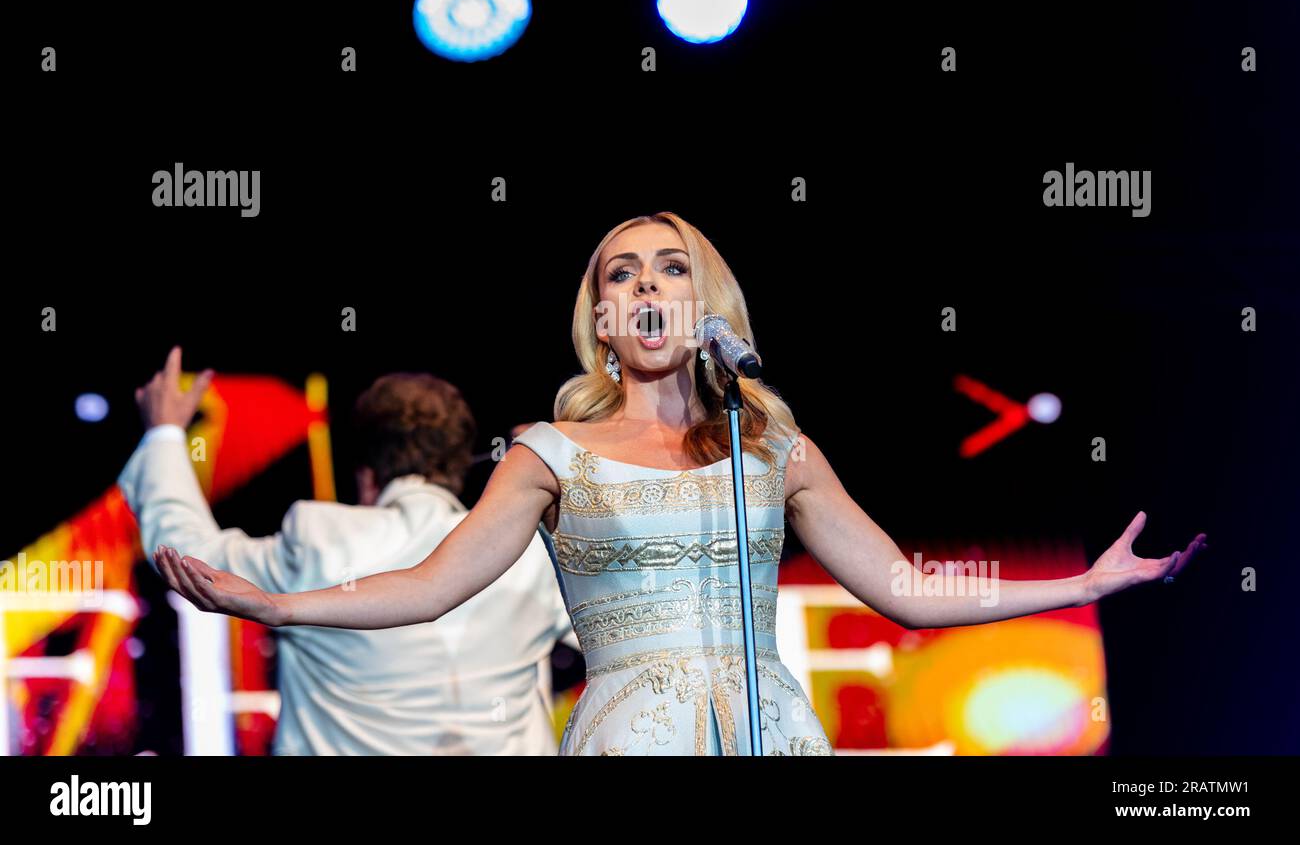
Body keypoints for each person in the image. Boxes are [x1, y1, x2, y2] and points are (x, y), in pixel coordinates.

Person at [153, 212, 1207, 756]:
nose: (646, 285)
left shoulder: (770, 448)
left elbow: (905, 587)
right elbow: (432, 584)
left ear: (708, 302)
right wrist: (264, 603)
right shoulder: (548, 455)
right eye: (623, 272)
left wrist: (1083, 586)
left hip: (768, 731)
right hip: (628, 733)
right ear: (602, 321)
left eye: (669, 267)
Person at [123, 360, 576, 754]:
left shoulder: (317, 539)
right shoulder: (530, 550)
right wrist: (574, 486)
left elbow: (189, 558)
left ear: (365, 476)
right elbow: (631, 623)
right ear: (458, 468)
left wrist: (164, 433)